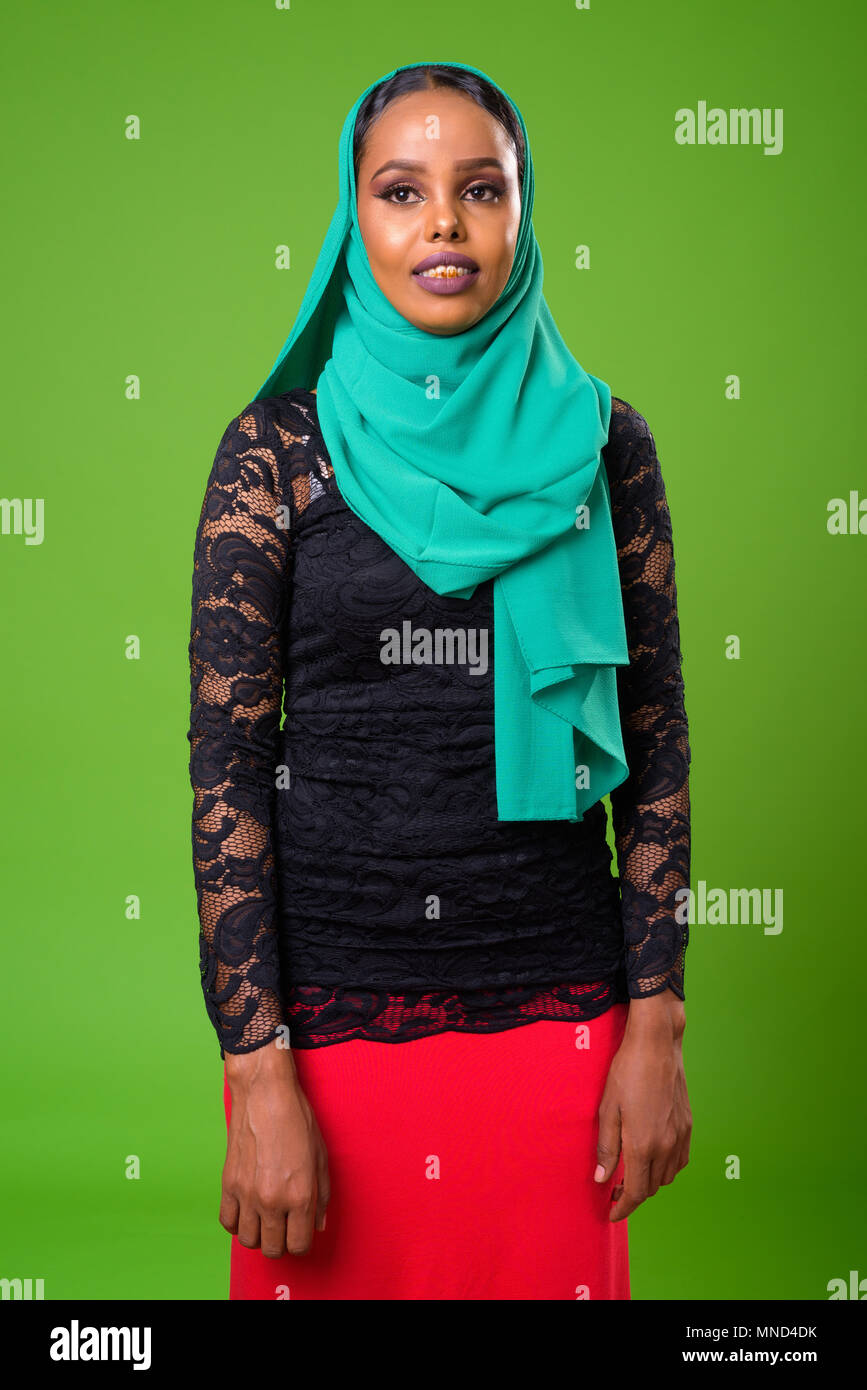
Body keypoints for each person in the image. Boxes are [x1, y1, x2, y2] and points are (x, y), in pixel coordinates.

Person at [187, 59, 692, 1301]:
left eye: (482, 188)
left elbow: (656, 744)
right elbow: (229, 766)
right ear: (351, 217)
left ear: (524, 210)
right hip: (329, 1025)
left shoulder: (603, 442)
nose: (446, 225)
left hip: (559, 1018)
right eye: (401, 191)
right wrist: (257, 1068)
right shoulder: (275, 452)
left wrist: (656, 1028)